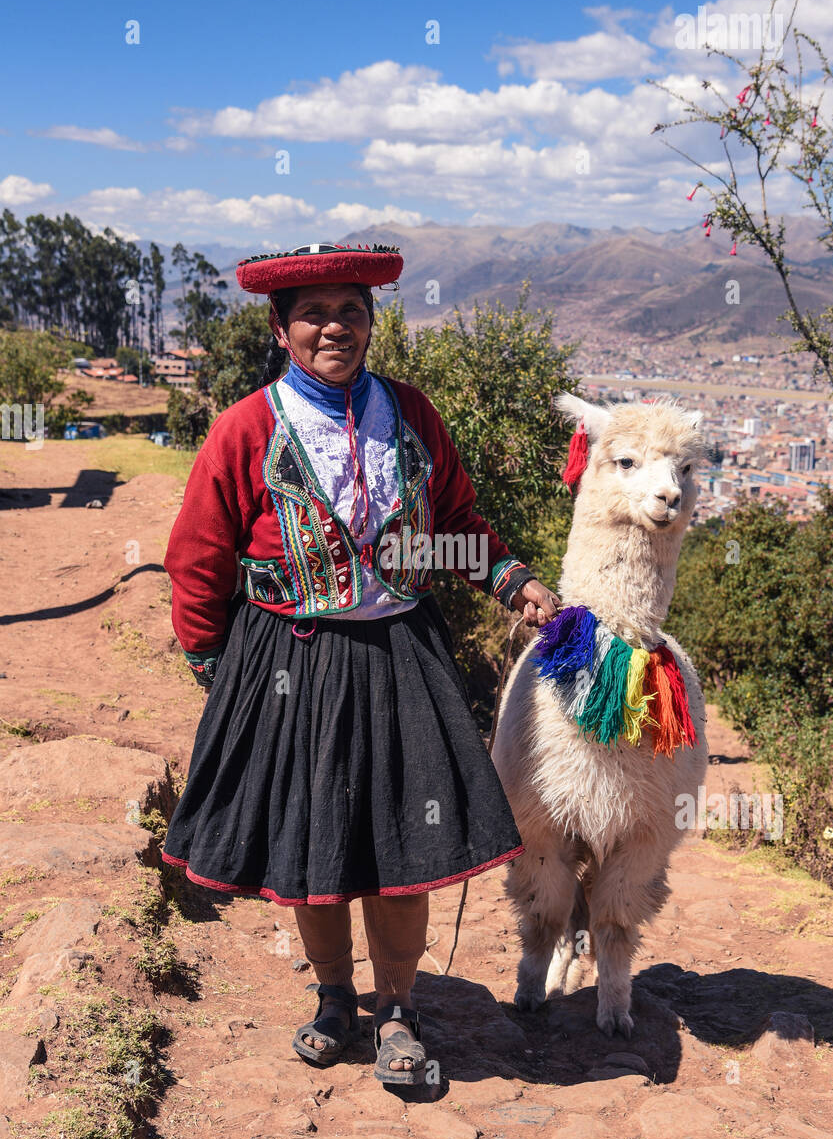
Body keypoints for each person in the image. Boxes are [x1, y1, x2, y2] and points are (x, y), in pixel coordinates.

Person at [162, 241, 561, 1084]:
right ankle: (334, 998)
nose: (334, 328)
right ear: (281, 330)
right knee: (316, 848)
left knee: (404, 848)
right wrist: (214, 669)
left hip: (401, 654)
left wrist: (511, 580)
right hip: (291, 662)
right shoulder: (246, 428)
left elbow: (453, 520)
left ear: (372, 323)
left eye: (351, 311)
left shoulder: (408, 413)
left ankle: (400, 1009)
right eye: (313, 314)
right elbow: (198, 556)